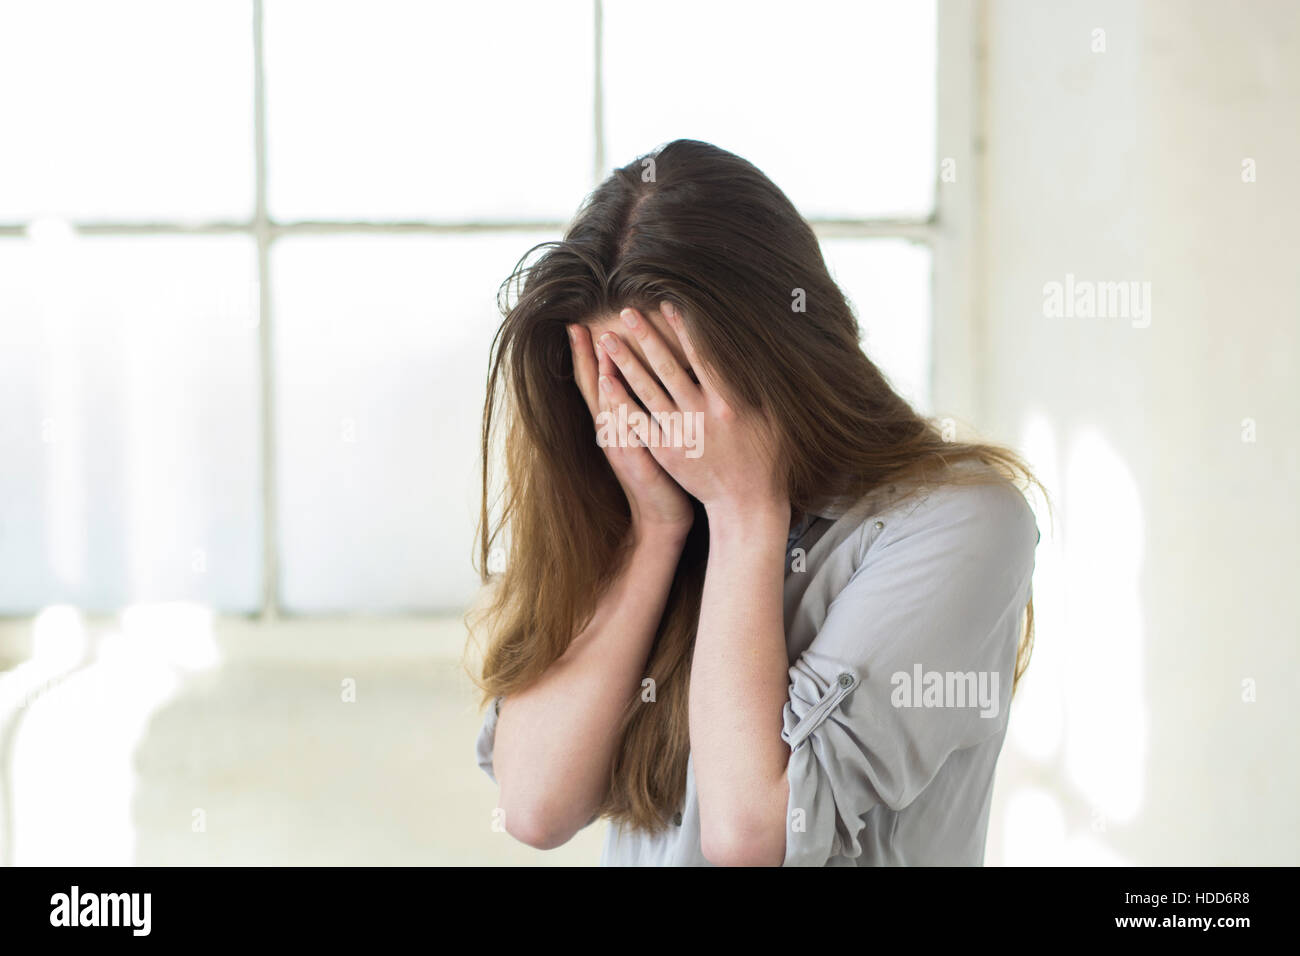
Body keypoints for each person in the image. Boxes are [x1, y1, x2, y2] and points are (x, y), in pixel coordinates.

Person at [467, 139, 1042, 866]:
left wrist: (747, 514)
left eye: (673, 383)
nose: (652, 425)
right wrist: (652, 533)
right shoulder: (657, 521)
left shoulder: (960, 524)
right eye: (621, 385)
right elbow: (535, 805)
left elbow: (751, 839)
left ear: (782, 350)